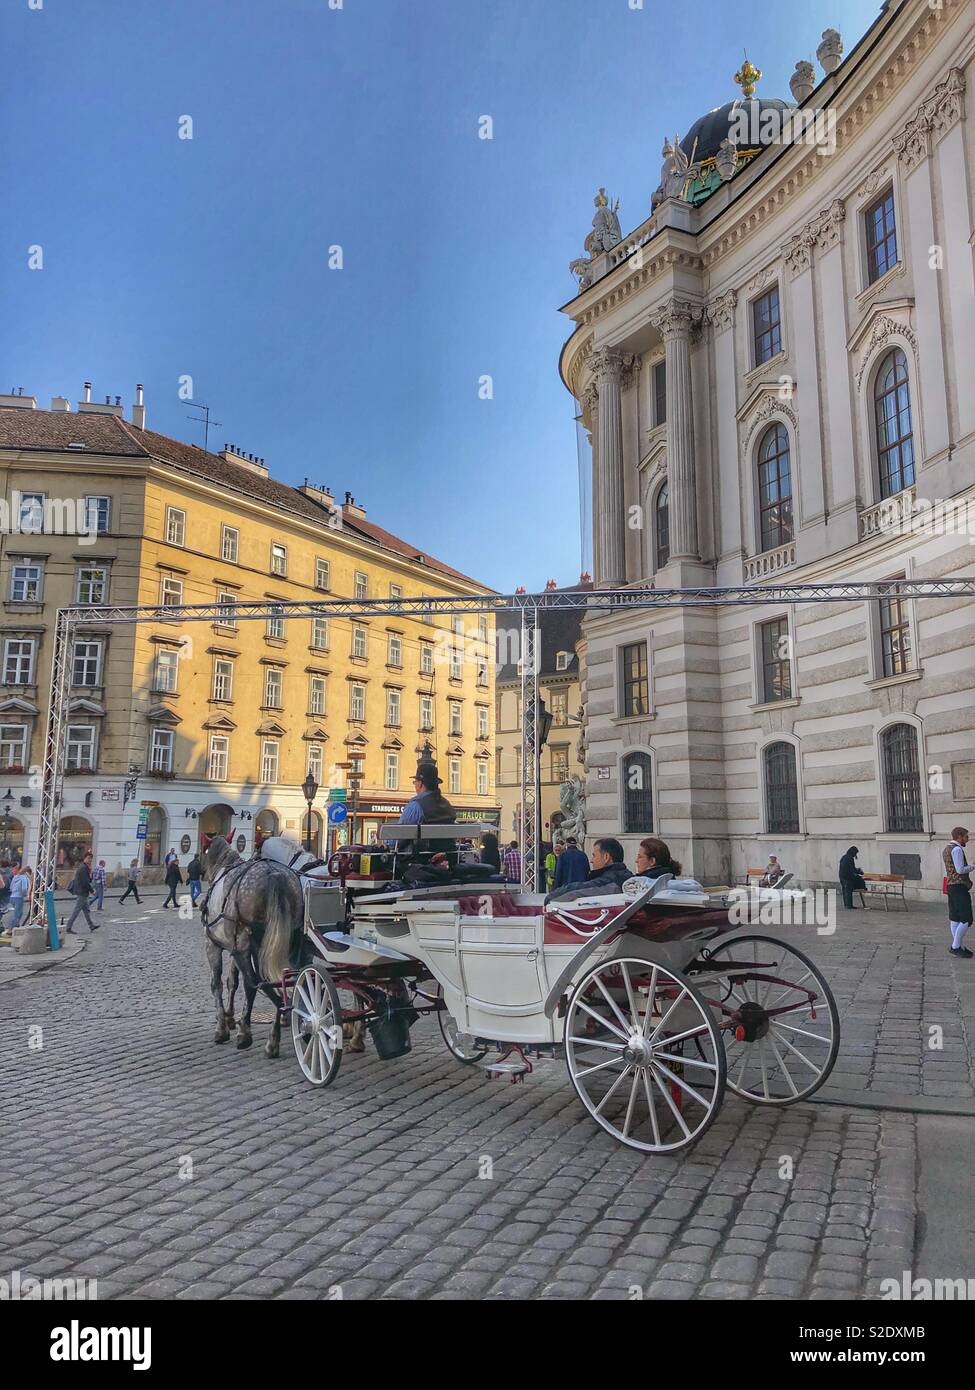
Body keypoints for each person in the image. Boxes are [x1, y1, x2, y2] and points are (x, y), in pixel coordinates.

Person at [550, 837, 633, 902]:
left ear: (606, 857)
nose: (591, 860)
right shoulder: (583, 855)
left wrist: (553, 894)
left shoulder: (608, 880)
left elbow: (586, 886)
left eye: (594, 856)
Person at [944, 826, 974, 959]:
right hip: (958, 886)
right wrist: (973, 866)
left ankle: (959, 946)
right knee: (966, 918)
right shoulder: (956, 849)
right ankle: (956, 946)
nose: (967, 840)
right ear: (959, 836)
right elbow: (960, 869)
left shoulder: (947, 848)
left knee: (955, 916)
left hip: (951, 885)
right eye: (966, 837)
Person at [66, 852, 99, 934]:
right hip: (82, 892)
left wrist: (90, 873)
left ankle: (91, 925)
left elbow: (88, 880)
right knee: (76, 911)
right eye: (88, 858)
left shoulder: (85, 868)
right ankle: (68, 927)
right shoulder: (83, 868)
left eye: (91, 858)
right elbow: (85, 882)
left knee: (86, 911)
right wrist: (92, 891)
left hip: (83, 892)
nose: (90, 860)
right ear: (85, 858)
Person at [9, 865, 32, 930]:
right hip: (19, 897)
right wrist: (25, 894)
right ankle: (12, 929)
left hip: (12, 897)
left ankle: (17, 926)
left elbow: (11, 887)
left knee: (19, 913)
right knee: (17, 914)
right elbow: (24, 888)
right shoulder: (24, 878)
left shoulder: (15, 877)